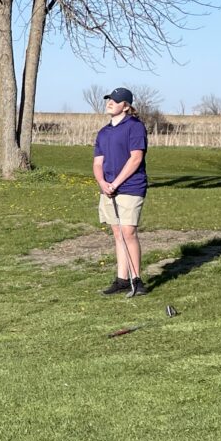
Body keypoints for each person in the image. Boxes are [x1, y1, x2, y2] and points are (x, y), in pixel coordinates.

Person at [93, 87, 149, 296]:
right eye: (108, 99)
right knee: (117, 233)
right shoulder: (104, 132)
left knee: (128, 232)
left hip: (131, 186)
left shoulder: (134, 127)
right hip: (108, 189)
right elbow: (98, 162)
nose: (110, 103)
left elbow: (136, 158)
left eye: (115, 101)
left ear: (126, 106)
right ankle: (122, 280)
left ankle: (137, 280)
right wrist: (102, 182)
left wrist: (115, 183)